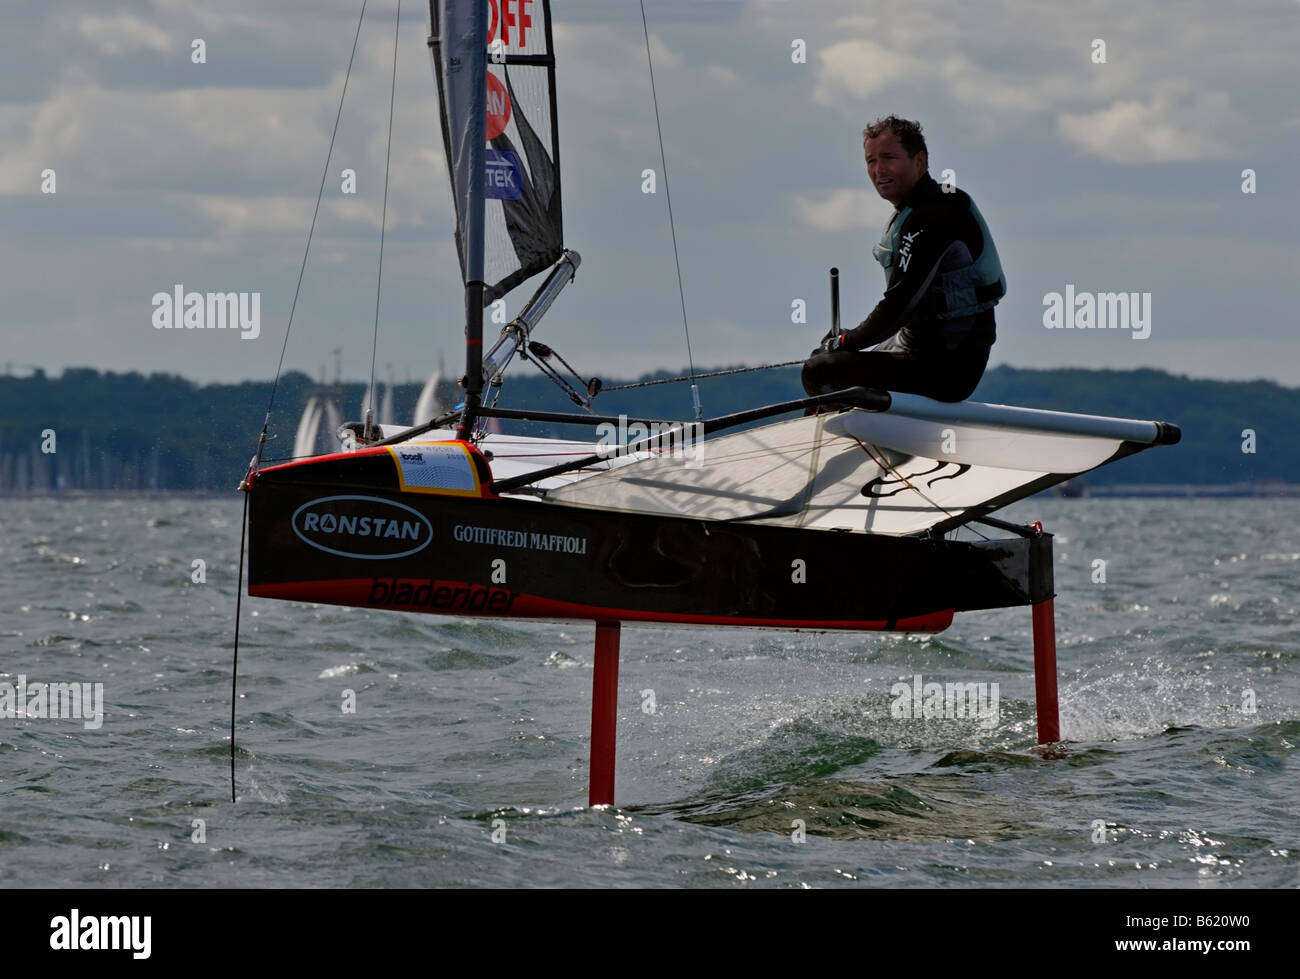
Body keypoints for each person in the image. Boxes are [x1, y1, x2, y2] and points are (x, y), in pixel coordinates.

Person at [803, 115, 1005, 406]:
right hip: (918, 349)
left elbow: (896, 309)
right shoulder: (915, 211)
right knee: (824, 358)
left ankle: (870, 441)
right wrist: (844, 342)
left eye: (888, 158)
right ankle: (864, 429)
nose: (878, 170)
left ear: (919, 161)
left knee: (819, 372)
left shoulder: (935, 214)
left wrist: (844, 341)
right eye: (871, 161)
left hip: (948, 368)